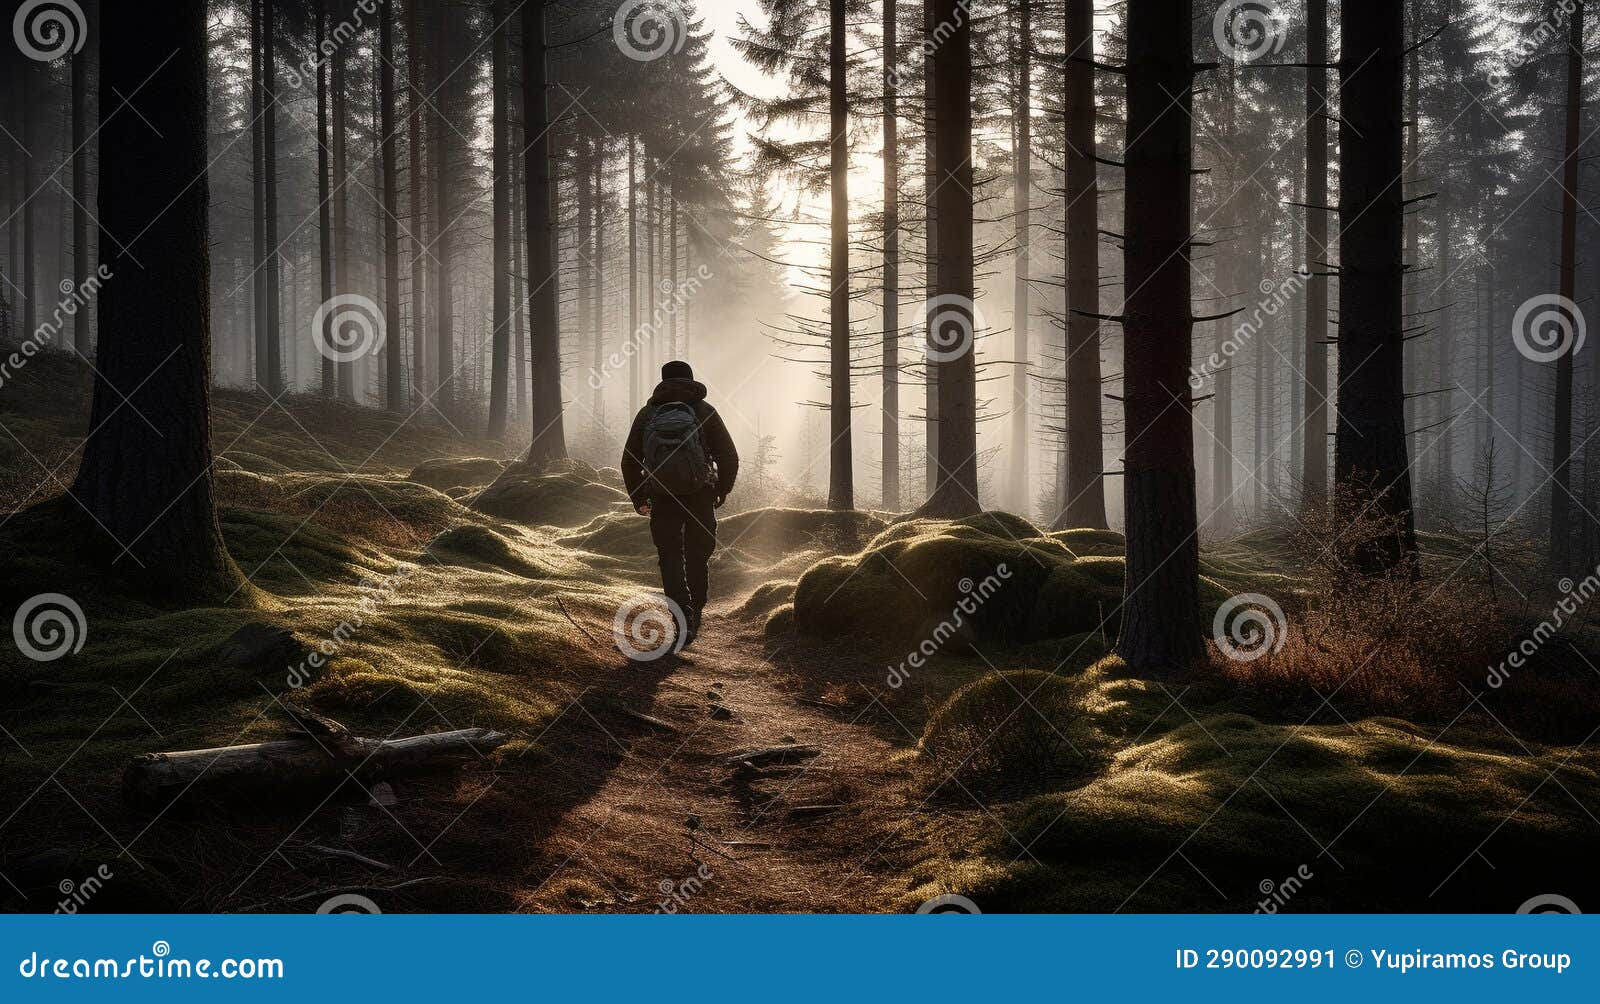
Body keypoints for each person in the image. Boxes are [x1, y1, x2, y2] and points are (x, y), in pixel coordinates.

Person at [622, 361, 739, 649]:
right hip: (700, 494)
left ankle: (680, 616)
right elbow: (729, 455)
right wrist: (721, 489)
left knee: (670, 555)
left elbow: (629, 460)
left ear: (663, 381)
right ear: (691, 380)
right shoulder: (704, 411)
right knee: (698, 553)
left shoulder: (649, 414)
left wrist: (639, 497)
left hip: (662, 496)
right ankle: (696, 610)